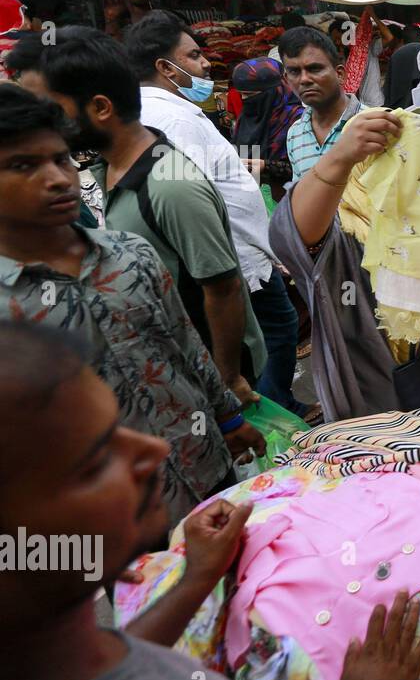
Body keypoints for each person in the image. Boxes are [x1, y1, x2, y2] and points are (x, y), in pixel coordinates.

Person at [0, 320, 420, 680]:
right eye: (96, 461)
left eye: (119, 428)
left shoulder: (56, 661)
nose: (153, 448)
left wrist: (196, 580)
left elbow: (116, 663)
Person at [0, 85, 264, 525]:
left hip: (209, 469)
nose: (59, 178)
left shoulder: (130, 254)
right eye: (23, 165)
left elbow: (186, 347)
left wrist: (229, 420)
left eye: (61, 158)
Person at [24, 26, 267, 407]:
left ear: (101, 108)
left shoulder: (171, 187)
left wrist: (228, 381)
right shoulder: (108, 172)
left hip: (208, 383)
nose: (45, 125)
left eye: (54, 111)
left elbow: (222, 289)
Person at [124, 12, 299, 411]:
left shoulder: (165, 111)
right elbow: (186, 195)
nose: (206, 65)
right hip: (233, 257)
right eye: (194, 55)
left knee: (269, 333)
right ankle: (273, 414)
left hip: (239, 252)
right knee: (271, 335)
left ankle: (272, 406)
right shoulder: (171, 116)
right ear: (165, 67)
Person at [270, 25, 403, 421]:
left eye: (314, 68)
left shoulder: (378, 124)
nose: (304, 79)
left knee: (390, 357)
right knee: (344, 354)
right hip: (327, 270)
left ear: (341, 70)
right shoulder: (295, 133)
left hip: (381, 267)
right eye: (293, 71)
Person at [231, 57, 304, 199]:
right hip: (249, 197)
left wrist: (267, 166)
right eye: (242, 94)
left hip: (287, 202)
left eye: (250, 95)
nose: (245, 99)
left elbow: (308, 169)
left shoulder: (298, 120)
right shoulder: (247, 117)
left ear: (273, 92)